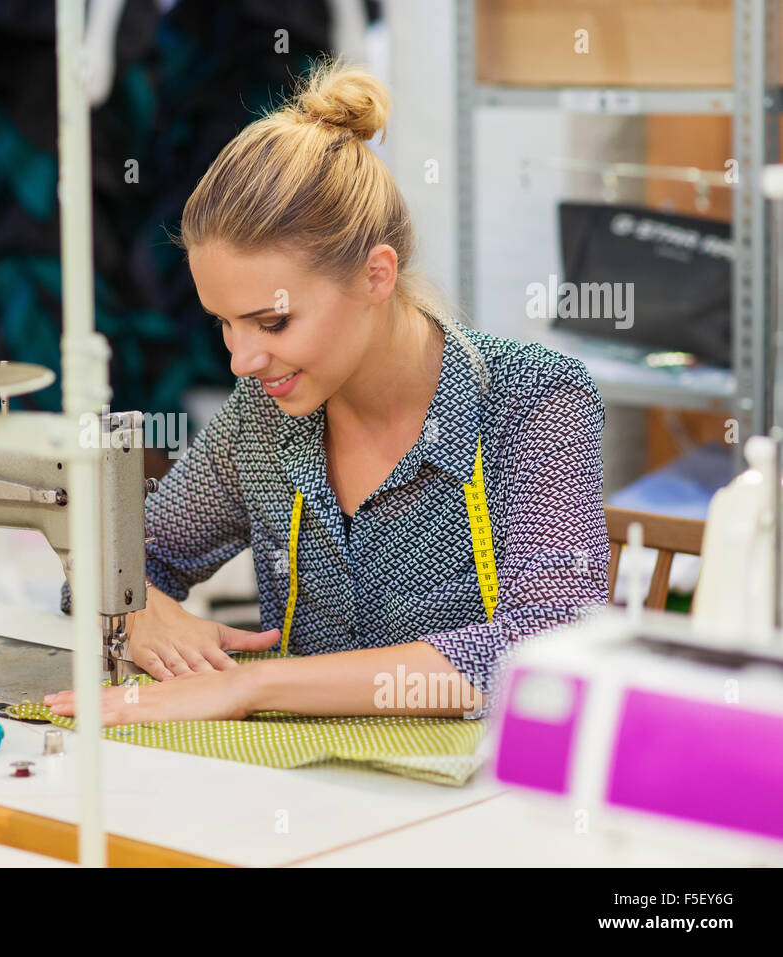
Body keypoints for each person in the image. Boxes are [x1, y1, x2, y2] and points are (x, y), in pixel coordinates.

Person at [47, 60, 608, 726]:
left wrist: (253, 686)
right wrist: (140, 614)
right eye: (223, 322)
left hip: (481, 803)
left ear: (376, 276)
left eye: (272, 321)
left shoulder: (535, 400)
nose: (241, 358)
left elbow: (547, 645)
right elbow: (124, 558)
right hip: (314, 796)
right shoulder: (263, 418)